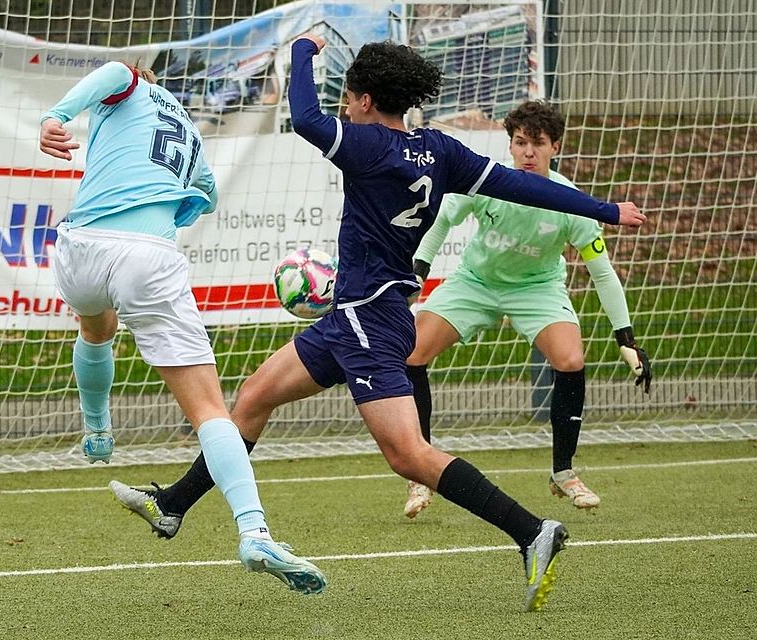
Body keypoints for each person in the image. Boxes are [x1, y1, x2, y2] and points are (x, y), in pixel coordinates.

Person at [109, 36, 646, 612]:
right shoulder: (439, 149)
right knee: (253, 398)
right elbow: (525, 185)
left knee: (408, 455)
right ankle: (174, 507)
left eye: (348, 97)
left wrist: (304, 51)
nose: (342, 108)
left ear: (365, 101)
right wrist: (606, 209)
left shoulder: (365, 147)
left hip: (370, 318)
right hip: (353, 317)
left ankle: (532, 531)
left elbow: (306, 117)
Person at [38, 60, 326, 595]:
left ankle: (98, 429)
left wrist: (56, 116)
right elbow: (207, 197)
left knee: (95, 326)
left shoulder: (125, 90)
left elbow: (111, 71)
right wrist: (173, 204)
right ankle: (254, 531)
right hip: (145, 257)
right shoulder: (189, 132)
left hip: (79, 249)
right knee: (211, 412)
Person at [402, 100, 652, 519]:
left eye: (537, 143)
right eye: (520, 143)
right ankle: (419, 471)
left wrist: (625, 337)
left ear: (556, 146)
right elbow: (441, 221)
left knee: (570, 359)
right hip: (475, 283)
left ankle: (563, 472)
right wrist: (419, 271)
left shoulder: (570, 202)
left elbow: (603, 274)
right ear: (511, 146)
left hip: (537, 290)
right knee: (412, 352)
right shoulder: (487, 183)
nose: (527, 152)